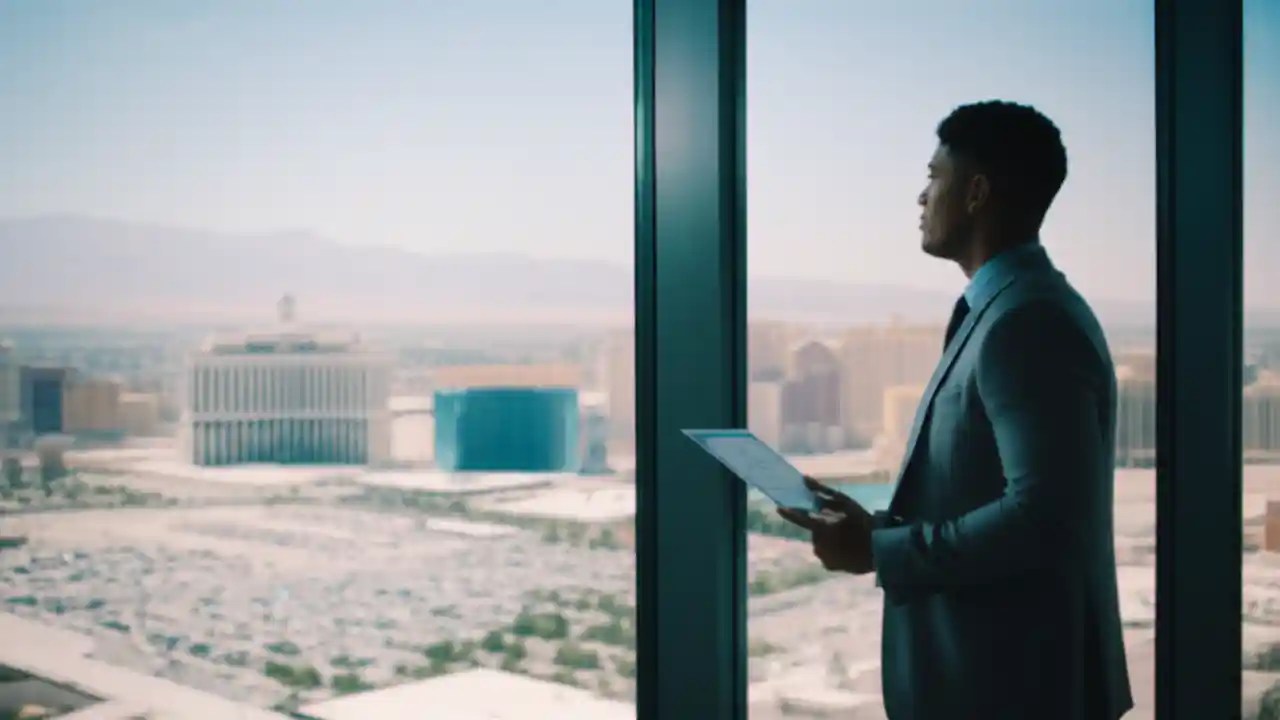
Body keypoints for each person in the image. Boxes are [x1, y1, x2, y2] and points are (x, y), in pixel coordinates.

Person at [778, 100, 1134, 719]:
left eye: (932, 177)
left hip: (1007, 691)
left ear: (975, 193)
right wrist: (879, 528)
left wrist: (880, 551)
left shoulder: (1027, 321)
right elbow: (985, 492)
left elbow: (1047, 518)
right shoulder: (1008, 310)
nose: (920, 197)